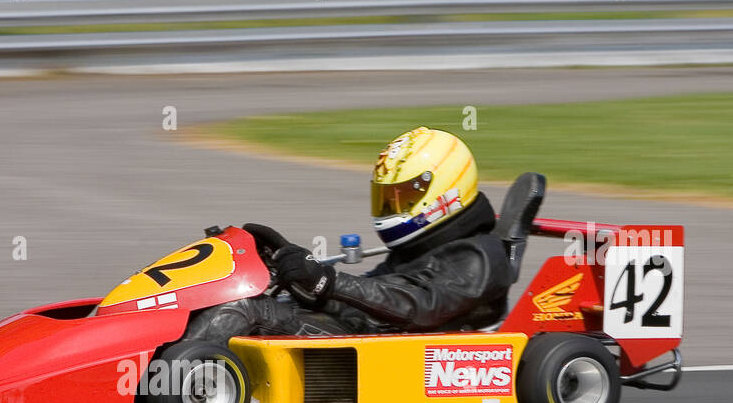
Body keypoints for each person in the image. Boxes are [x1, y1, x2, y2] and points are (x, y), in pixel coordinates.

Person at [184, 127, 515, 341]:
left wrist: (328, 281)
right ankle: (161, 371)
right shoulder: (420, 249)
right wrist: (301, 281)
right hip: (370, 333)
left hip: (407, 353)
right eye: (387, 199)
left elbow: (418, 306)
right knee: (234, 297)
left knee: (247, 309)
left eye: (402, 198)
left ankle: (172, 383)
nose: (392, 208)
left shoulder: (479, 256)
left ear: (446, 193)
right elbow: (371, 297)